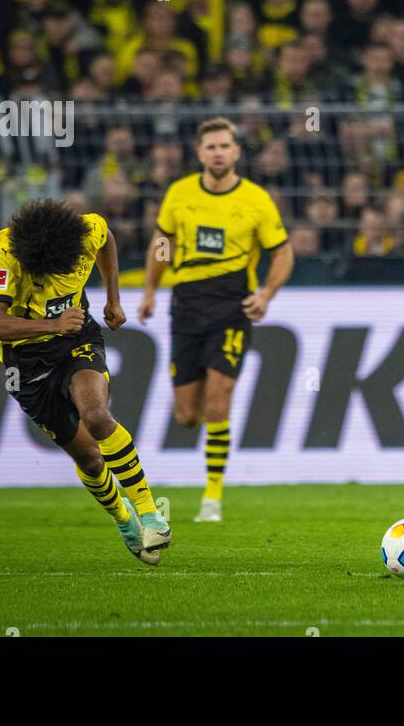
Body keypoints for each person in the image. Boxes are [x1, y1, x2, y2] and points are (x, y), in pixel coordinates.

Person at [0, 199, 171, 564]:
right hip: (26, 362)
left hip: (77, 341)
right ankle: (124, 519)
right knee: (90, 458)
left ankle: (150, 515)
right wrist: (52, 324)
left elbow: (107, 240)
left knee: (96, 415)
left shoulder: (87, 230)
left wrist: (113, 300)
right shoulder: (4, 250)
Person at [137, 118, 294, 523]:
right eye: (211, 147)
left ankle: (212, 498)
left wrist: (266, 294)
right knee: (187, 415)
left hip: (231, 306)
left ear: (237, 151)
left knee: (218, 401)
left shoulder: (257, 200)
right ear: (199, 153)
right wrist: (151, 291)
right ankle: (207, 455)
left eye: (225, 146)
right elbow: (162, 243)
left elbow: (282, 253)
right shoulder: (179, 193)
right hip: (186, 305)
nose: (218, 152)